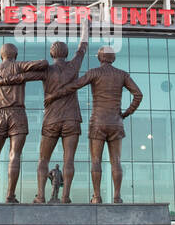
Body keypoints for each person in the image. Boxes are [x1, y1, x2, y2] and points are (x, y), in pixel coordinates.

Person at [44, 46, 143, 204]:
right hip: (115, 122)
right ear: (113, 58)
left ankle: (97, 197)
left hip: (98, 122)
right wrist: (126, 113)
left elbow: (74, 86)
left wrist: (54, 95)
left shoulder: (94, 72)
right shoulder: (122, 74)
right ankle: (117, 197)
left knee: (96, 161)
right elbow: (138, 95)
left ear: (99, 58)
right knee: (116, 161)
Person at [0, 44, 50, 203]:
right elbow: (43, 63)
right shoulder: (19, 66)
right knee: (14, 155)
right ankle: (10, 196)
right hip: (17, 113)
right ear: (14, 54)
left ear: (1, 55)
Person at [35, 19, 90, 204]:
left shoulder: (46, 70)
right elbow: (83, 47)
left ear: (52, 54)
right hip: (71, 119)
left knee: (43, 159)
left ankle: (41, 196)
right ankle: (65, 196)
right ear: (66, 54)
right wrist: (85, 27)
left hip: (51, 119)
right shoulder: (74, 65)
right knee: (69, 160)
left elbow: (24, 75)